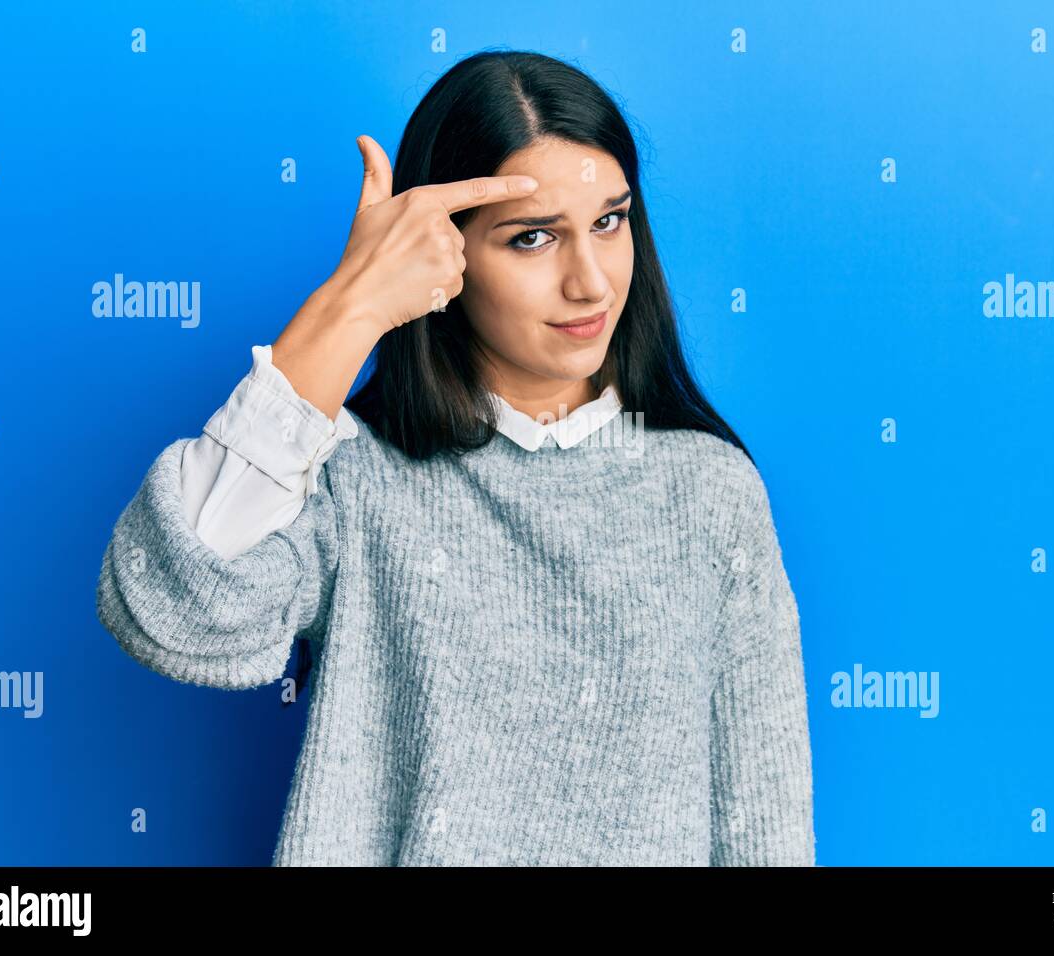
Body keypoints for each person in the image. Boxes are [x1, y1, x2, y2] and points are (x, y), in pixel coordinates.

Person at [95, 49, 816, 866]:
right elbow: (172, 611)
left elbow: (764, 826)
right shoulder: (356, 479)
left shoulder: (710, 493)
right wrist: (352, 303)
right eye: (534, 238)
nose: (590, 283)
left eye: (610, 222)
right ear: (447, 258)